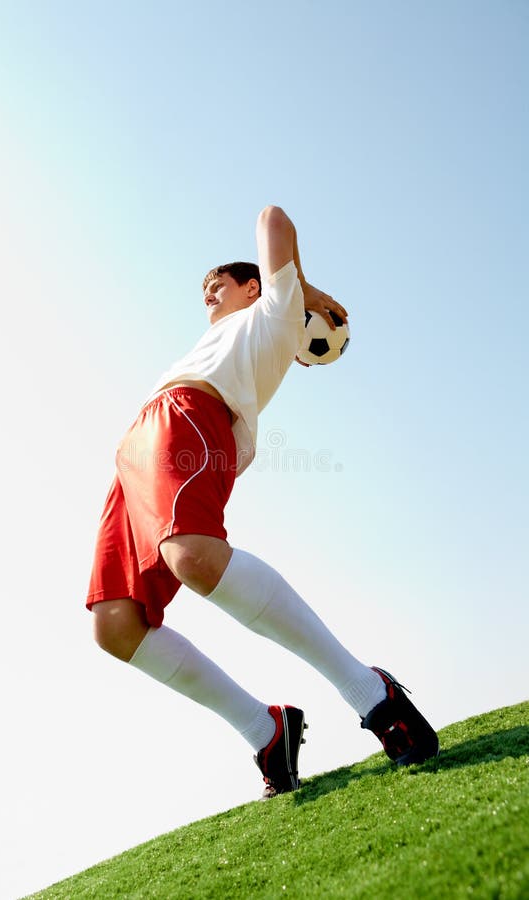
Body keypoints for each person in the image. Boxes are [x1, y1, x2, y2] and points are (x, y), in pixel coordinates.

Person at [86, 205, 439, 799]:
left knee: (193, 556)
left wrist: (303, 287)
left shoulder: (273, 314)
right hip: (138, 446)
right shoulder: (225, 334)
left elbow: (273, 219)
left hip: (189, 419)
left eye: (218, 284)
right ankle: (264, 730)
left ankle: (371, 694)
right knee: (115, 626)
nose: (207, 293)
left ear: (256, 285)